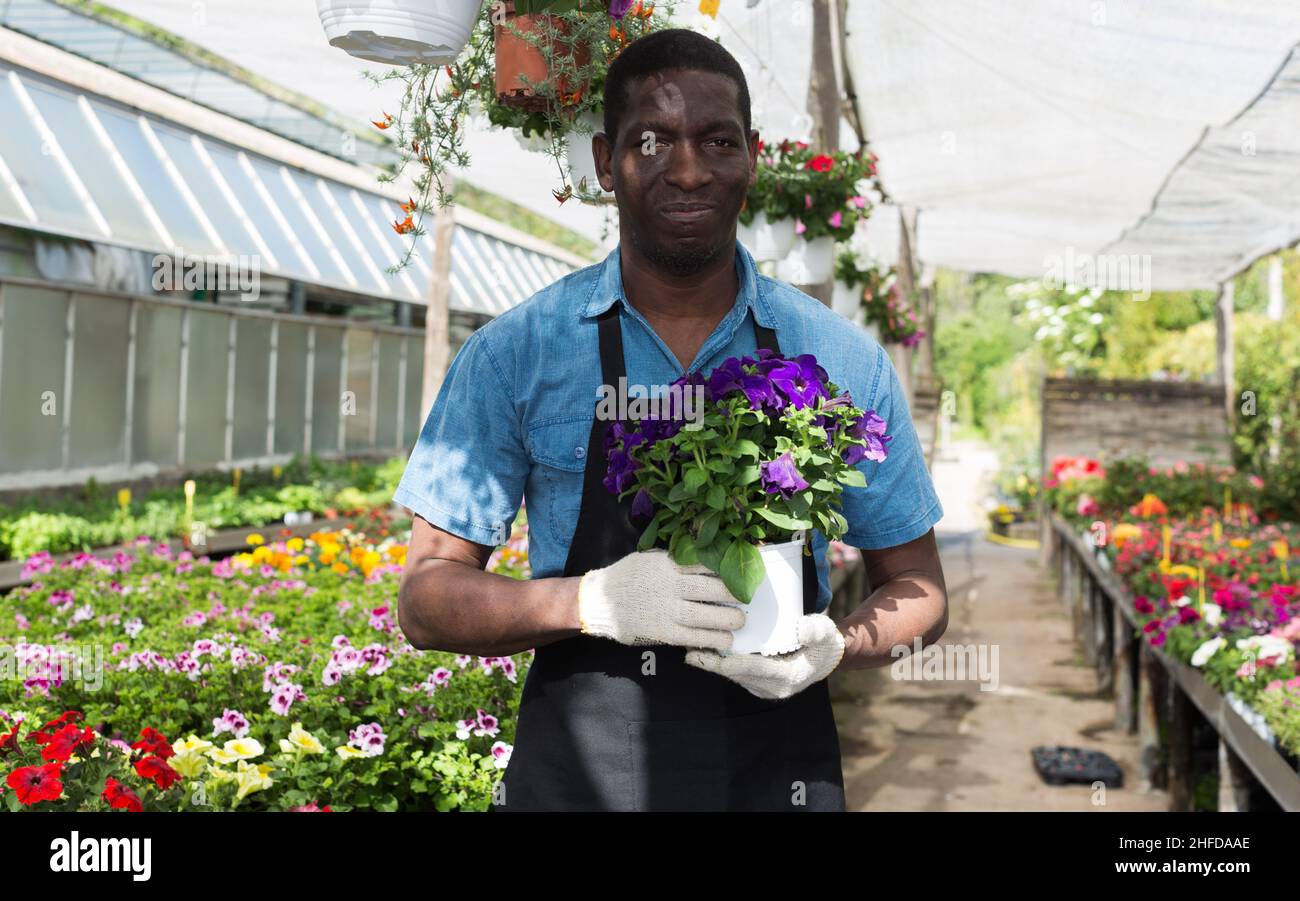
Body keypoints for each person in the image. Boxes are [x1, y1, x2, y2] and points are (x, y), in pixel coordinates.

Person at [394, 28, 948, 812]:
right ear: (603, 162)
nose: (688, 169)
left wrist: (837, 643)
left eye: (717, 141)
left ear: (751, 157)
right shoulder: (518, 354)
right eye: (652, 142)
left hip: (776, 779)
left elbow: (921, 588)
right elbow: (424, 600)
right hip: (579, 783)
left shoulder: (836, 357)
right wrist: (587, 603)